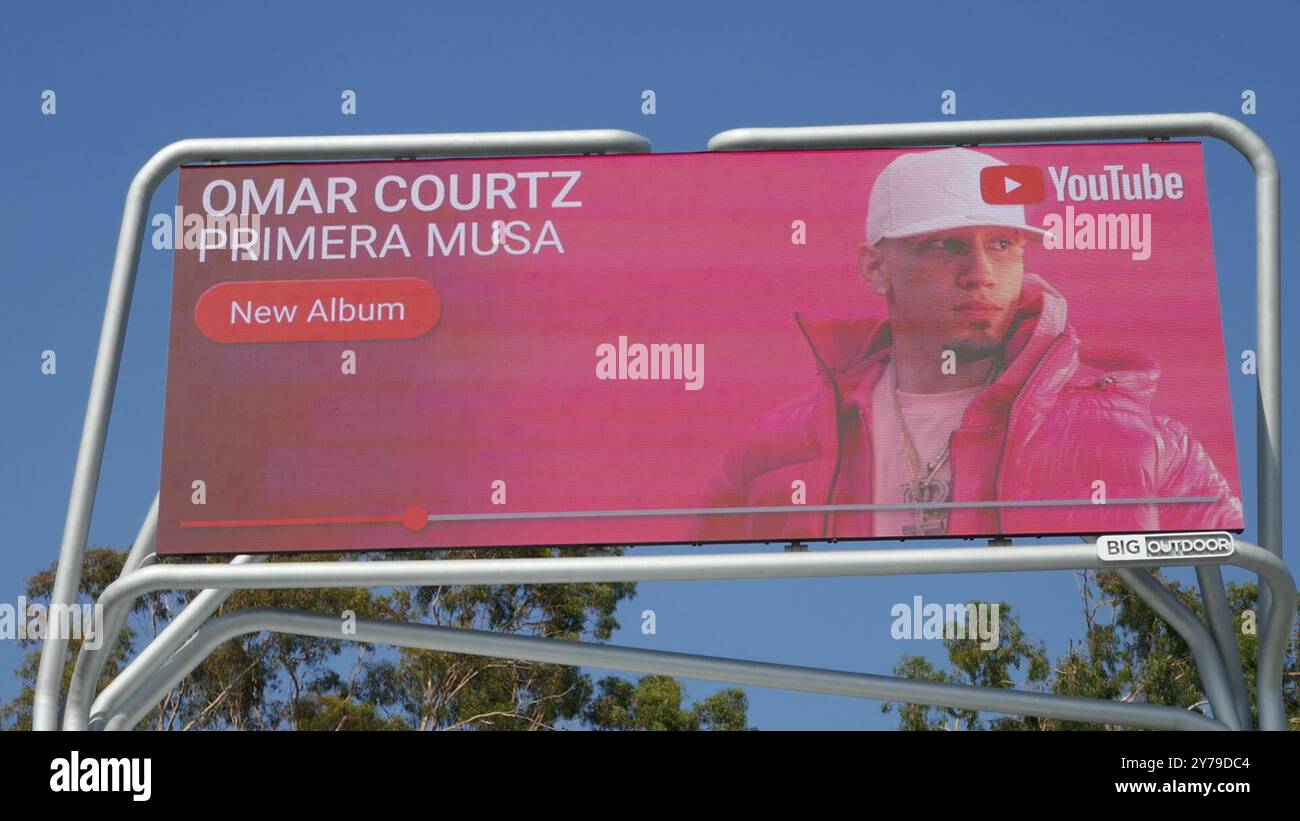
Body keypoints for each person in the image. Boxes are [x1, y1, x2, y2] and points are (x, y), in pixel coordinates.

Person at [694, 147, 1243, 543]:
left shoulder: (1138, 442)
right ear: (875, 267)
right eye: (943, 245)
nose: (980, 273)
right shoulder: (770, 453)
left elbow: (1238, 600)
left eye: (1002, 244)